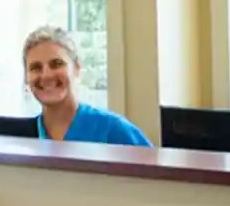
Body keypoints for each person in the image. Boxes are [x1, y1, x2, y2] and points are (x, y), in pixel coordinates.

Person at [23, 25, 151, 147]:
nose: (46, 75)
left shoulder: (113, 130)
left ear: (77, 68)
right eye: (35, 68)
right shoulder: (22, 139)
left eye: (56, 64)